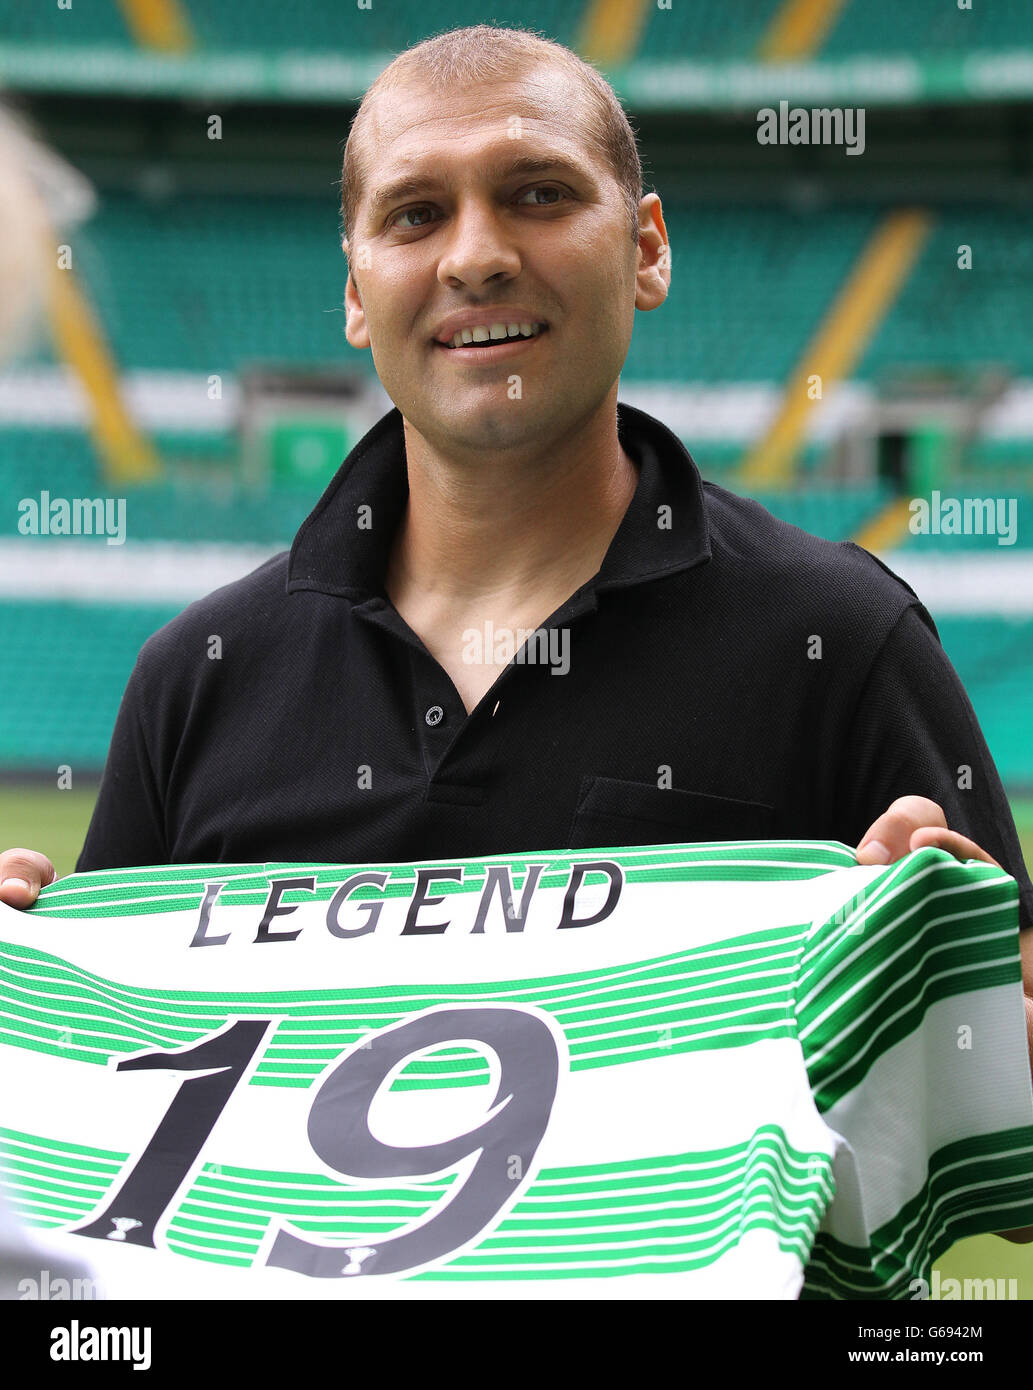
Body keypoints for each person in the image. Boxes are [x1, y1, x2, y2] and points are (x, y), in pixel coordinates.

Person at [2, 27, 1032, 1245]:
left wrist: (941, 1005)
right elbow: (92, 1179)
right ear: (352, 287)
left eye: (538, 195)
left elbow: (1010, 1190)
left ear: (645, 247)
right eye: (414, 216)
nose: (477, 256)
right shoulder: (197, 676)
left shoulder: (841, 639)